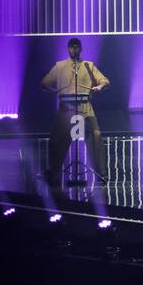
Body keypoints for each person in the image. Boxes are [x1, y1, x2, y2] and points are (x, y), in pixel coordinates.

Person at [40, 37, 110, 181]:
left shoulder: (88, 65)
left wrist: (99, 86)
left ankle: (101, 173)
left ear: (81, 48)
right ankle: (53, 172)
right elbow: (44, 83)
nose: (74, 49)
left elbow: (105, 81)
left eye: (76, 46)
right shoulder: (59, 66)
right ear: (68, 49)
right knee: (56, 139)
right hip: (66, 109)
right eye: (71, 47)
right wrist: (53, 90)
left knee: (96, 135)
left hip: (85, 108)